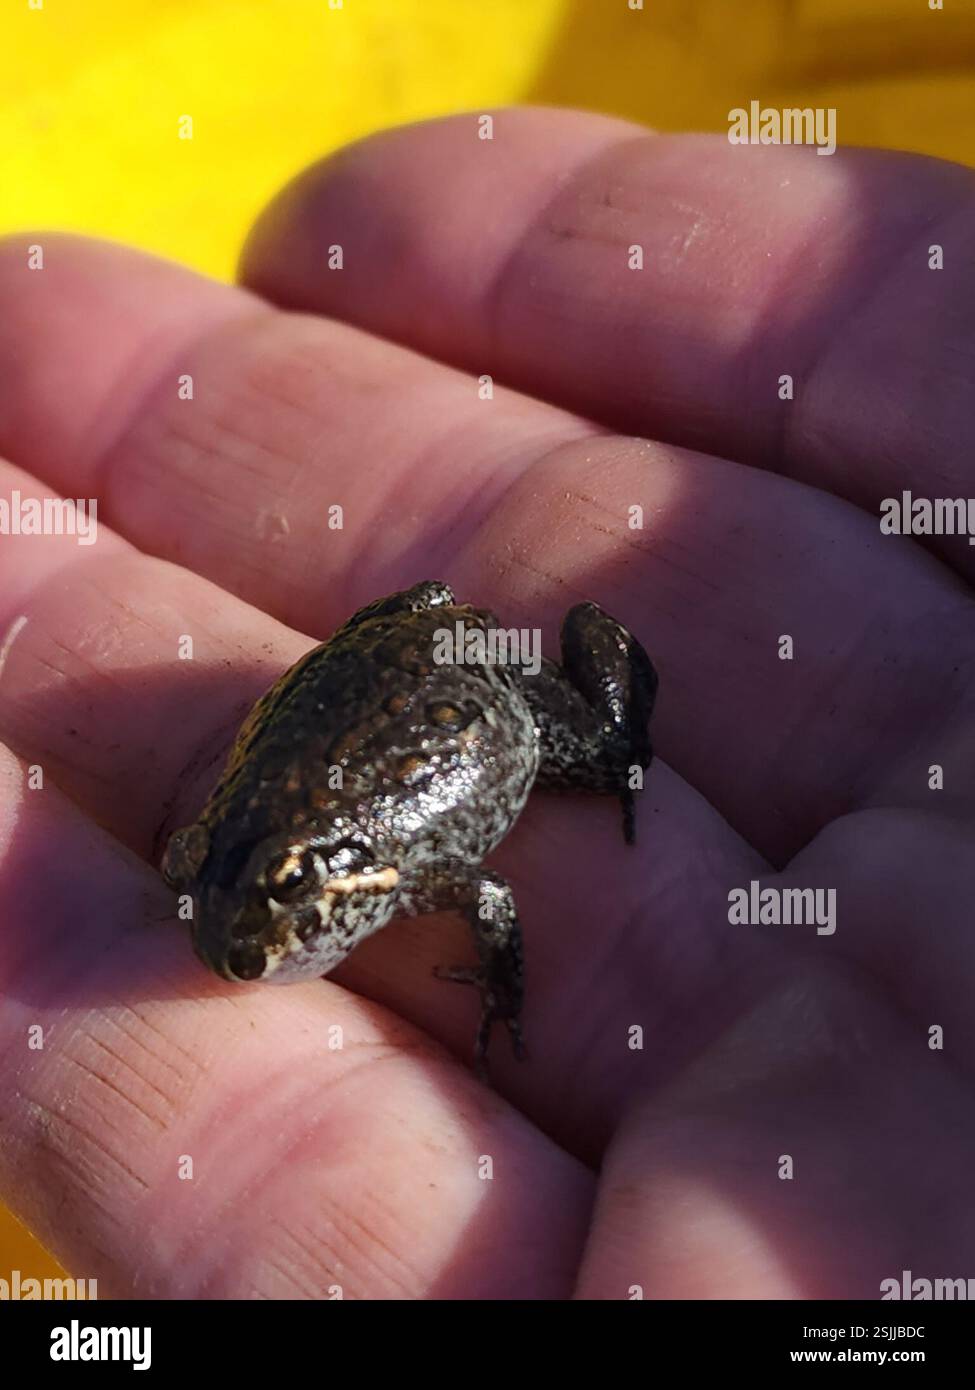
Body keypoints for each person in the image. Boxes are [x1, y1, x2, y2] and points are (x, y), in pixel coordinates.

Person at [0, 108, 972, 1299]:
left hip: (480, 695)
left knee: (613, 763)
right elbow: (240, 809)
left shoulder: (406, 870)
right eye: (226, 882)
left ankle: (604, 660)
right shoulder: (237, 832)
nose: (238, 923)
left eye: (276, 906)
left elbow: (495, 894)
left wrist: (502, 985)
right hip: (389, 658)